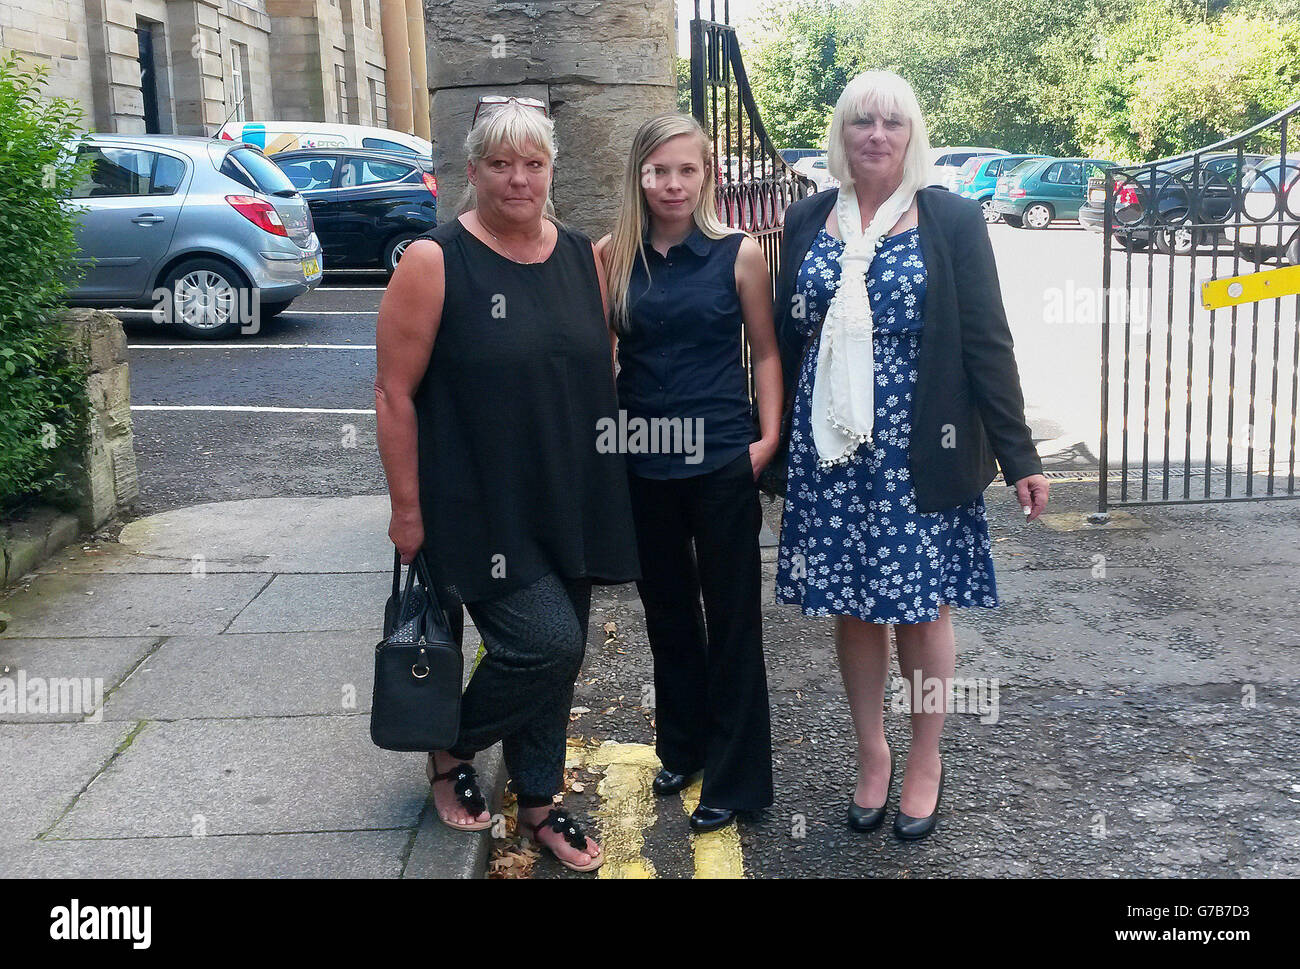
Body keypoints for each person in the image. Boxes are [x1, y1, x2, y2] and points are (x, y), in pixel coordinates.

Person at [772, 71, 1049, 841]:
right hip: (831, 447)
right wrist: (768, 445)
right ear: (842, 131)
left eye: (894, 122)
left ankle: (926, 756)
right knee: (855, 606)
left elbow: (988, 342)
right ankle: (872, 753)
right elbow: (785, 340)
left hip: (922, 444)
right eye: (863, 120)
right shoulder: (805, 219)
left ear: (913, 133)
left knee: (923, 610)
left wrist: (1020, 452)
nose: (878, 134)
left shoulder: (950, 219)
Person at [374, 97, 640, 872]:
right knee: (545, 643)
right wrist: (406, 509)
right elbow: (393, 393)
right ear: (472, 171)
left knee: (564, 652)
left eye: (533, 163)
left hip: (569, 491)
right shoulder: (436, 259)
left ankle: (540, 800)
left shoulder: (582, 257)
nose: (518, 178)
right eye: (500, 163)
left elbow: (599, 370)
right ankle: (449, 744)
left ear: (551, 170)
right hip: (475, 501)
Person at [597, 113, 781, 832]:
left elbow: (765, 351)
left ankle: (737, 778)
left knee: (733, 618)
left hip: (721, 459)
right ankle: (685, 746)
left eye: (686, 170)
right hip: (642, 459)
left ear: (708, 176)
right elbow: (601, 359)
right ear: (638, 176)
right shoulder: (612, 255)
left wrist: (767, 437)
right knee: (667, 612)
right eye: (658, 170)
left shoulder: (739, 253)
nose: (672, 183)